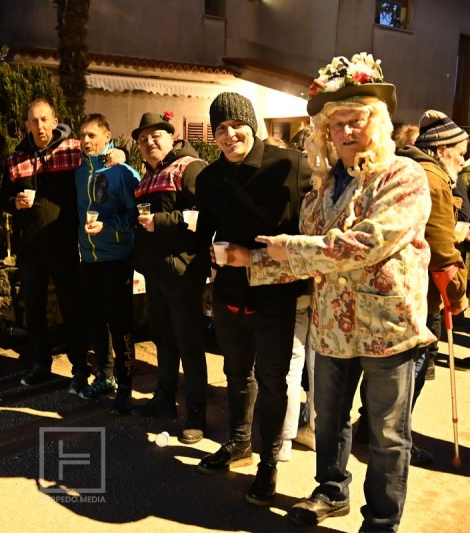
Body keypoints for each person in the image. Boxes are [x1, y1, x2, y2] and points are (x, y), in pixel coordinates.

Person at [224, 53, 437, 530]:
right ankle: (331, 491)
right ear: (324, 132)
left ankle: (381, 521)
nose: (345, 131)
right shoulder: (319, 190)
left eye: (356, 120)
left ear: (376, 123)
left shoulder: (403, 176)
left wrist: (288, 248)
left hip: (388, 328)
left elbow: (365, 244)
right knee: (328, 421)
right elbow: (308, 260)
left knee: (386, 434)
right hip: (332, 328)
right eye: (336, 124)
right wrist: (252, 261)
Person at [194, 93, 312, 506]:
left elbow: (308, 234)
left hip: (275, 295)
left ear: (252, 125)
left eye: (236, 126)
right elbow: (204, 232)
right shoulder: (209, 177)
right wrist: (206, 266)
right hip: (228, 292)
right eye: (220, 129)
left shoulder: (290, 165)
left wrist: (258, 257)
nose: (229, 135)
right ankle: (238, 442)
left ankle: (269, 463)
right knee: (235, 373)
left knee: (274, 382)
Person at [2, 99, 119, 391]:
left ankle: (79, 369)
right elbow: (3, 200)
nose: (39, 125)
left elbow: (103, 152)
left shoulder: (73, 149)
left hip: (66, 245)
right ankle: (40, 364)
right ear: (27, 125)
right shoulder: (15, 158)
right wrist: (15, 202)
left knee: (72, 309)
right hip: (30, 248)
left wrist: (120, 152)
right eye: (34, 120)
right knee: (35, 310)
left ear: (55, 122)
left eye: (44, 119)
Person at [130, 111, 208, 445]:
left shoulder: (190, 167)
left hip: (184, 272)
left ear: (171, 137)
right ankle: (164, 400)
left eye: (155, 136)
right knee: (163, 339)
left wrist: (160, 222)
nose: (149, 143)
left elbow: (203, 216)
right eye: (143, 139)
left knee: (189, 344)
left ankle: (197, 415)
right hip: (157, 273)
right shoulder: (147, 178)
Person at [394, 109, 468, 464]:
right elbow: (441, 251)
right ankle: (397, 440)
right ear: (441, 150)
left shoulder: (408, 165)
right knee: (413, 368)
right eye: (461, 152)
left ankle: (379, 431)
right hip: (420, 292)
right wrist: (458, 295)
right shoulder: (434, 178)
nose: (463, 160)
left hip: (402, 287)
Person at [73, 113, 140, 414]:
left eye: (92, 135)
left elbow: (136, 214)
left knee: (120, 324)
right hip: (88, 259)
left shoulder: (122, 171)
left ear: (107, 136)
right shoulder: (79, 172)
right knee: (95, 322)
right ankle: (106, 376)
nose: (86, 140)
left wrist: (108, 227)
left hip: (116, 259)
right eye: (82, 135)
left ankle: (126, 387)